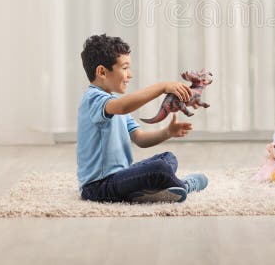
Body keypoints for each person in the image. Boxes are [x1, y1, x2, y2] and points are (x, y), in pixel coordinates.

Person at [77, 34, 208, 203]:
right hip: (97, 187)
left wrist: (168, 132)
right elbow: (124, 106)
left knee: (168, 158)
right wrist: (162, 86)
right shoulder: (93, 99)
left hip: (120, 177)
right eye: (124, 68)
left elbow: (140, 139)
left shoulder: (114, 103)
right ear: (102, 71)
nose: (130, 75)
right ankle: (184, 186)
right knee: (159, 169)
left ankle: (142, 192)